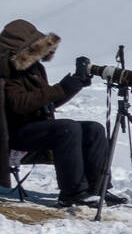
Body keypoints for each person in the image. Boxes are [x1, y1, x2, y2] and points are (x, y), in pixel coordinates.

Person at [1, 19, 123, 208]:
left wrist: (75, 84)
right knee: (68, 128)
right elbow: (19, 104)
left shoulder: (34, 68)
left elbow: (46, 103)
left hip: (35, 128)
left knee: (93, 129)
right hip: (14, 135)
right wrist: (61, 88)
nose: (37, 52)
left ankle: (98, 189)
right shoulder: (7, 70)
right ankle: (73, 193)